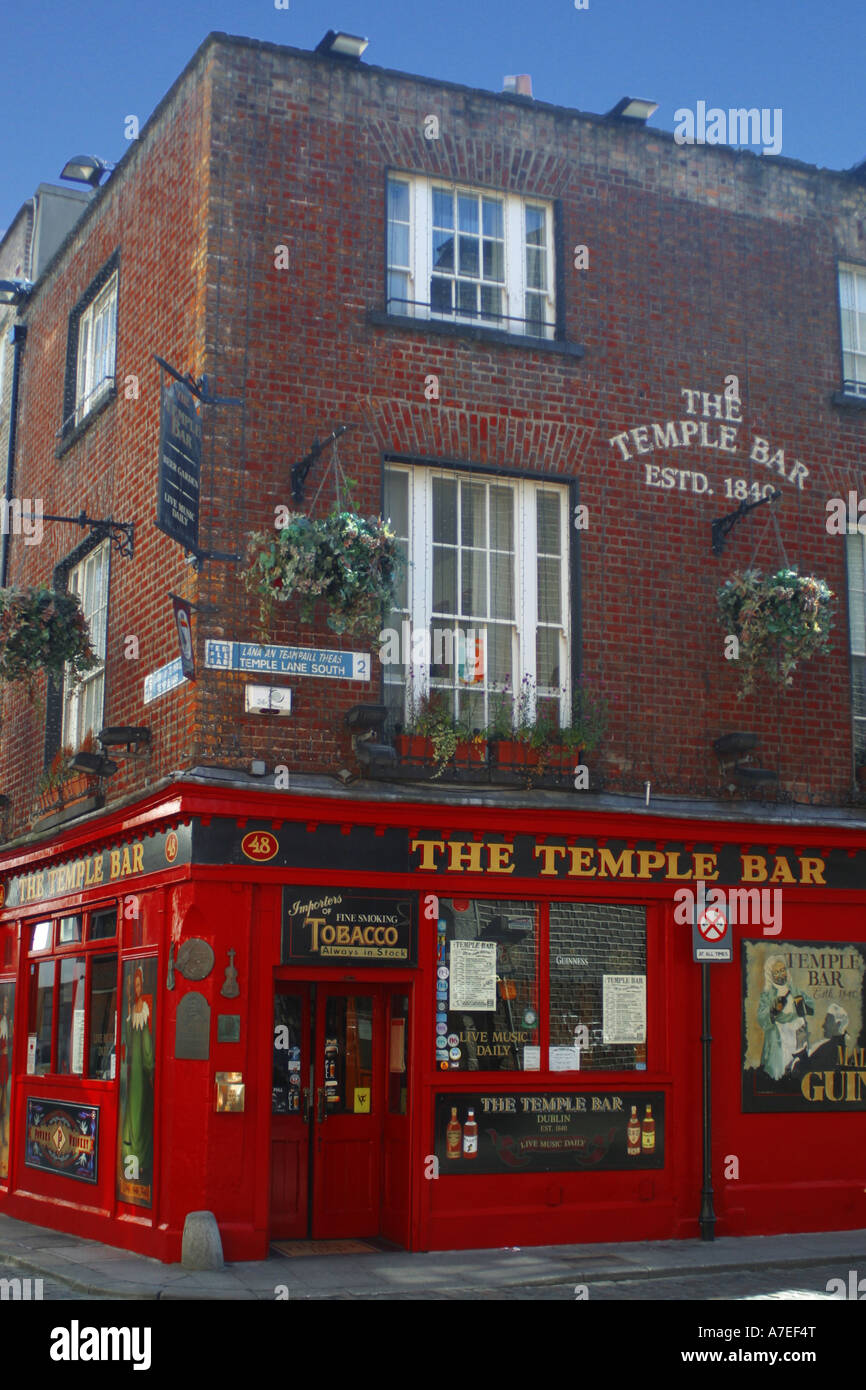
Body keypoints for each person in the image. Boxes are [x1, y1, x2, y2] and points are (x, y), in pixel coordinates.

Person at [120, 966, 154, 1197]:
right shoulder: (132, 1009)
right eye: (135, 985)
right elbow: (127, 1041)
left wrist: (150, 1067)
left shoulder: (145, 1010)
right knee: (131, 1115)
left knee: (141, 1113)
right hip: (132, 1071)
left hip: (141, 1071)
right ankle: (131, 1157)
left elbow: (146, 1043)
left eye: (140, 985)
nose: (138, 988)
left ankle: (140, 1159)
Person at [757, 955, 814, 1081]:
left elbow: (811, 1008)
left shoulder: (795, 990)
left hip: (798, 1039)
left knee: (799, 1074)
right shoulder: (767, 995)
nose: (781, 974)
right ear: (770, 975)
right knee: (781, 1076)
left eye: (782, 970)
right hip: (780, 1040)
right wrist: (774, 1010)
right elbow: (761, 1019)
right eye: (776, 972)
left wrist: (802, 1004)